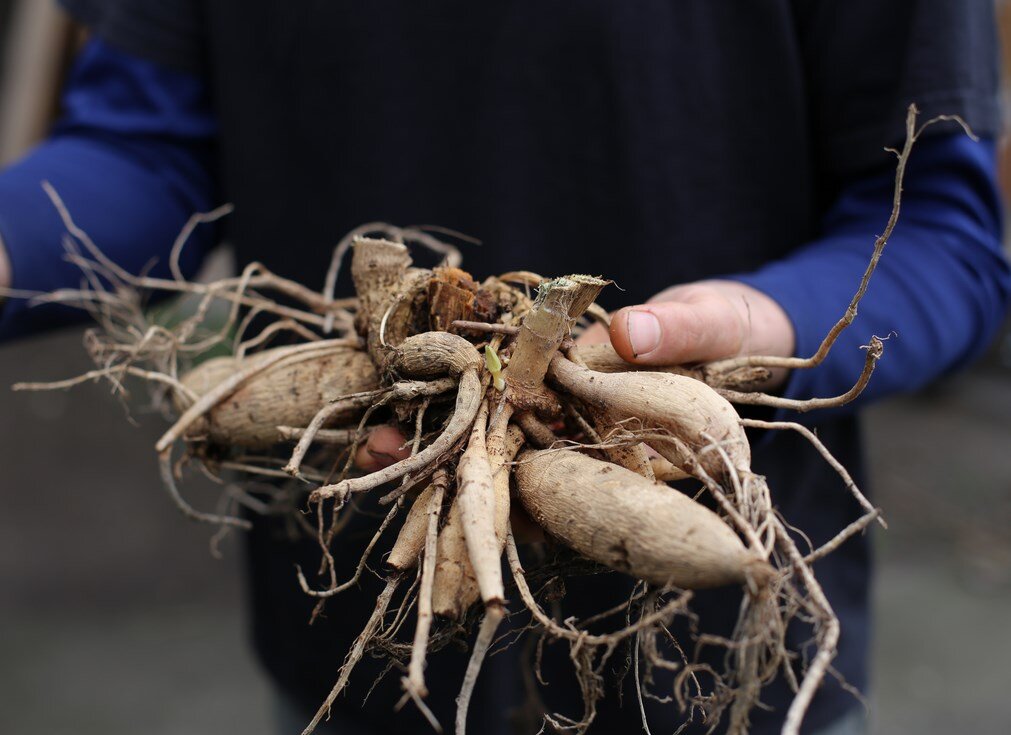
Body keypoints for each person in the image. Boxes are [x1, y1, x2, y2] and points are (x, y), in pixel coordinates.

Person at [1, 2, 1008, 733]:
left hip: (716, 658)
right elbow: (145, 147)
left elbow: (940, 233)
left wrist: (768, 324)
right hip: (351, 630)